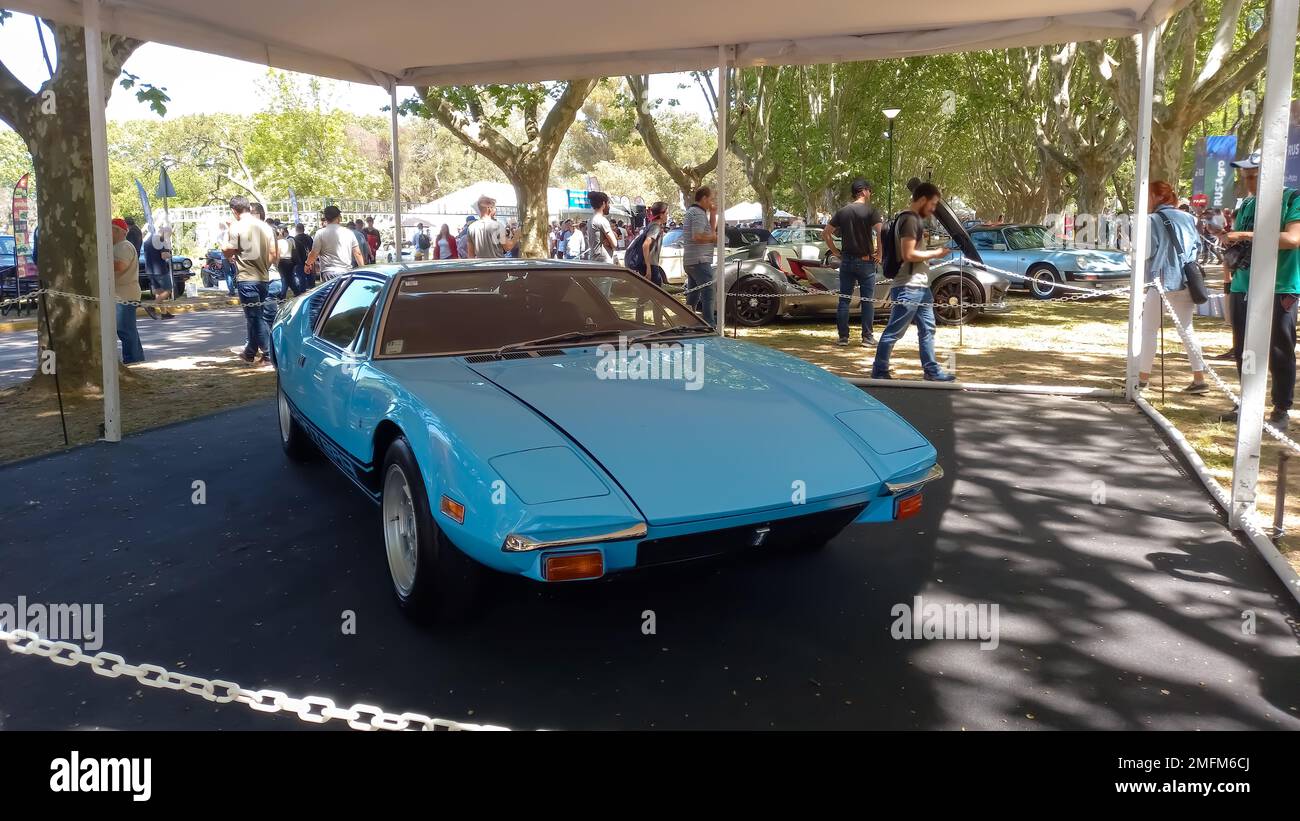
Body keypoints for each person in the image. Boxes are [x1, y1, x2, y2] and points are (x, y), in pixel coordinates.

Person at [1219, 151, 1300, 429]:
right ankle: (1248, 401)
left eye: (1254, 177)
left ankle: (1280, 409)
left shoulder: (1292, 199)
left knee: (1280, 349)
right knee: (1244, 349)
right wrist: (1229, 240)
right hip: (1244, 285)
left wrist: (1245, 235)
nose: (1249, 182)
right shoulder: (1246, 205)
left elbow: (1293, 239)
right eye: (1246, 177)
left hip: (1280, 286)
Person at [870, 182, 955, 382]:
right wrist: (935, 253)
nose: (933, 209)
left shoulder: (907, 218)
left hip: (919, 285)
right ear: (923, 199)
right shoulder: (910, 220)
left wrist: (928, 256)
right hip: (909, 286)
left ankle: (931, 370)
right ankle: (880, 370)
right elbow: (908, 254)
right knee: (895, 331)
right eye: (932, 204)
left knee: (927, 329)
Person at [1138, 181, 1206, 393]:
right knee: (1187, 329)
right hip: (1187, 279)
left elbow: (1147, 252)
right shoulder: (1189, 218)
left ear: (1157, 197)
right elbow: (1198, 246)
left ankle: (1142, 380)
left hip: (1162, 280)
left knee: (1149, 330)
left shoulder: (1151, 220)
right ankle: (1199, 379)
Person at [824, 178, 883, 347]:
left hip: (847, 261)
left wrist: (836, 252)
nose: (870, 194)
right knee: (867, 300)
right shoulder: (871, 211)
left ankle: (843, 337)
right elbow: (881, 232)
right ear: (864, 191)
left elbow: (826, 233)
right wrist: (880, 253)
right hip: (866, 261)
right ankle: (867, 337)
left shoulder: (843, 211)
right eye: (869, 190)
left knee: (844, 300)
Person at [223, 195, 276, 365]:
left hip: (247, 277)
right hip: (263, 277)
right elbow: (273, 253)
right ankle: (250, 352)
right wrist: (265, 266)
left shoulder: (236, 227)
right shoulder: (265, 227)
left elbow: (227, 250)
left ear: (234, 210)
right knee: (256, 317)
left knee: (255, 318)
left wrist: (227, 233)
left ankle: (268, 353)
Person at [682, 186, 719, 323]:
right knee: (708, 293)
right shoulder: (698, 214)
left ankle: (688, 321)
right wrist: (713, 239)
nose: (712, 203)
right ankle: (709, 324)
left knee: (693, 295)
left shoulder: (694, 212)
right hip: (699, 261)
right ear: (704, 198)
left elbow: (710, 232)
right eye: (711, 199)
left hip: (691, 260)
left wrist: (713, 214)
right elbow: (697, 236)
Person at [111, 217, 144, 364]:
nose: (110, 233)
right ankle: (136, 358)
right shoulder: (119, 246)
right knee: (128, 329)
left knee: (125, 329)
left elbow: (121, 266)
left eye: (113, 230)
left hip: (124, 294)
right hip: (122, 293)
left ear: (121, 232)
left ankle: (132, 359)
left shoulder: (123, 246)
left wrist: (100, 261)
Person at [307, 205, 365, 282]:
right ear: (339, 217)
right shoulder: (349, 233)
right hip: (346, 272)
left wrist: (307, 264)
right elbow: (357, 253)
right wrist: (363, 269)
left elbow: (314, 253)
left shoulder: (320, 233)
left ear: (326, 218)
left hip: (328, 273)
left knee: (331, 290)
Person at [142, 221, 176, 320]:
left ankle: (164, 313)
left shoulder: (148, 240)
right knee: (168, 290)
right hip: (160, 270)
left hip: (149, 270)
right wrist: (170, 254)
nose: (169, 236)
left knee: (159, 291)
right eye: (169, 234)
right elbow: (164, 255)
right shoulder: (161, 241)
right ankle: (151, 306)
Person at [586, 192, 616, 264]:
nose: (609, 206)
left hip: (595, 260)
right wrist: (610, 240)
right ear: (603, 203)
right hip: (604, 262)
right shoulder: (602, 220)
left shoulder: (591, 220)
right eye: (608, 203)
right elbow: (615, 243)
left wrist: (607, 240)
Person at [292, 223, 314, 291]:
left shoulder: (295, 239)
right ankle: (313, 291)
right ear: (304, 229)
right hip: (309, 260)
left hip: (299, 262)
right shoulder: (309, 237)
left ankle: (302, 292)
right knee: (310, 278)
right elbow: (312, 249)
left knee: (301, 279)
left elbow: (294, 252)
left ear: (296, 230)